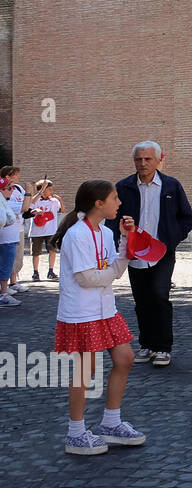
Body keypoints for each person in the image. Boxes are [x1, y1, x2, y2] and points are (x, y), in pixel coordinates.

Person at [50, 180, 147, 455]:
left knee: (125, 358)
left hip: (105, 308)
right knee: (86, 371)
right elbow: (86, 277)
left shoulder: (104, 231)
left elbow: (115, 264)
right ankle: (76, 434)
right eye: (115, 198)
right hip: (82, 311)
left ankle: (111, 423)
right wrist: (114, 272)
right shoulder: (76, 234)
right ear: (98, 204)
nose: (119, 203)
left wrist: (127, 239)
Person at [110, 142, 192, 369]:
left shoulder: (171, 186)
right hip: (134, 254)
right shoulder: (124, 186)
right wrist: (120, 235)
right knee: (141, 300)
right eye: (139, 159)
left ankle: (163, 348)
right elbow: (111, 218)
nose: (143, 164)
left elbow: (186, 219)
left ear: (159, 160)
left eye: (148, 159)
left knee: (159, 295)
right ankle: (146, 344)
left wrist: (170, 241)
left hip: (161, 253)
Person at [0, 176, 31, 307]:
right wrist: (29, 191)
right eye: (9, 188)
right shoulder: (4, 202)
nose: (12, 190)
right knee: (6, 267)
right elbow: (24, 208)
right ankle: (3, 294)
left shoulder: (4, 202)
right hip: (6, 239)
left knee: (6, 266)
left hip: (9, 238)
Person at [28, 179, 64, 281]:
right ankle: (35, 272)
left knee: (52, 250)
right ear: (42, 190)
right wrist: (36, 211)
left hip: (51, 231)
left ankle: (51, 271)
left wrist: (60, 200)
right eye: (49, 189)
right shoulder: (35, 200)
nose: (51, 191)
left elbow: (62, 210)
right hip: (36, 231)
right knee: (36, 252)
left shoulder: (54, 201)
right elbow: (29, 207)